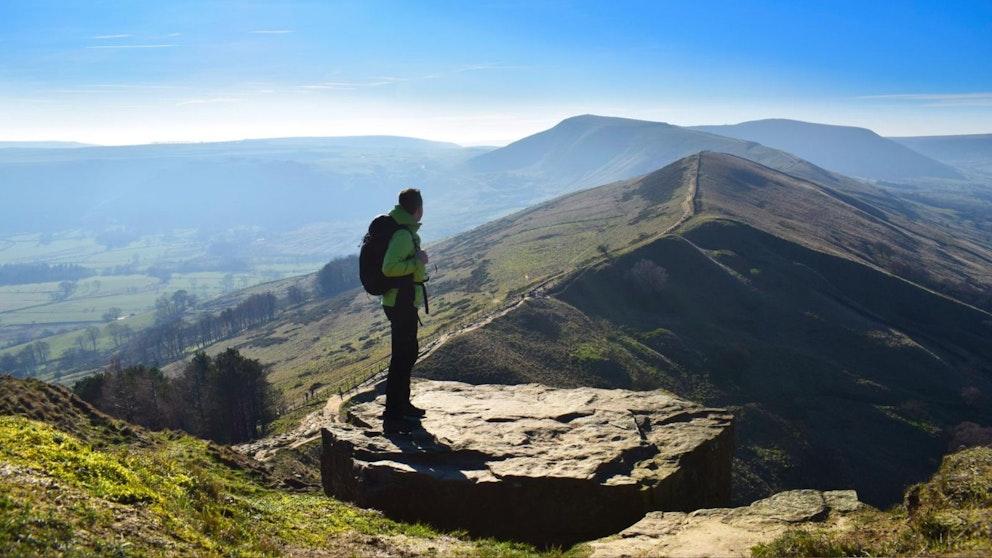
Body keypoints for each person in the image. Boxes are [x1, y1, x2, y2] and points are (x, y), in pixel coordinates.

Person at [380, 188, 429, 428]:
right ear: (418, 209)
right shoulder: (402, 235)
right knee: (402, 357)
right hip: (400, 302)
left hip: (401, 301)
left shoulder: (403, 229)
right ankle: (393, 415)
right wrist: (417, 261)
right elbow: (389, 268)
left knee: (407, 353)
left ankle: (403, 406)